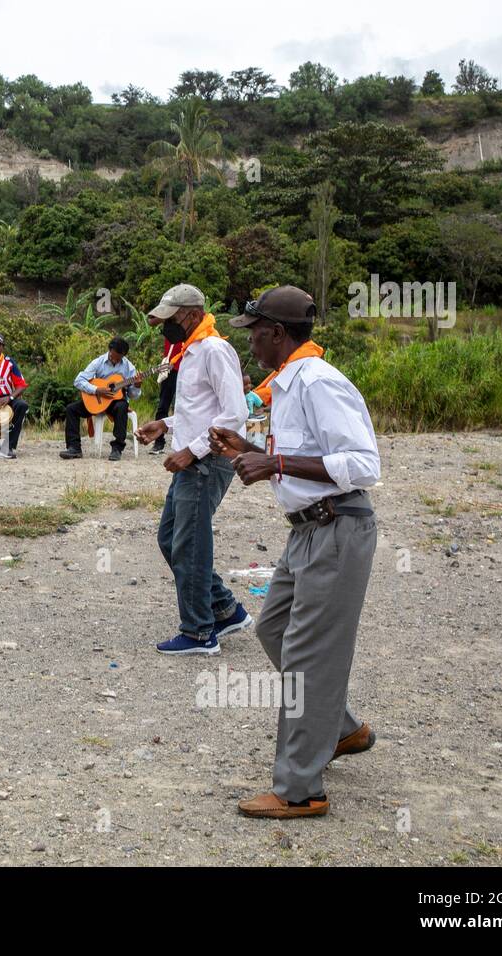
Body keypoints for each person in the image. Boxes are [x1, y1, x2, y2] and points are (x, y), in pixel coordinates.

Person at [208, 285, 380, 820]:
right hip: (306, 531)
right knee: (274, 629)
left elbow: (362, 464)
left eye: (255, 332)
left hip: (336, 528)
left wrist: (276, 466)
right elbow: (307, 456)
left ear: (277, 333)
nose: (250, 342)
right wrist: (252, 453)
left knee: (306, 658)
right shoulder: (288, 382)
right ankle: (342, 728)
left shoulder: (321, 382)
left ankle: (301, 790)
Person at [134, 284, 250, 655]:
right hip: (193, 459)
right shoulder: (193, 350)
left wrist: (191, 452)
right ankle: (224, 610)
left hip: (207, 461)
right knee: (171, 539)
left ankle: (200, 632)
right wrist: (165, 425)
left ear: (194, 315)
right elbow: (200, 408)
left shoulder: (215, 350)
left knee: (189, 544)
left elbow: (235, 414)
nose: (166, 326)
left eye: (172, 318)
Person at [60, 337, 143, 461]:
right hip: (97, 401)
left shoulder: (129, 367)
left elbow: (132, 395)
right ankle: (74, 448)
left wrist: (137, 386)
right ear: (109, 350)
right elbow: (78, 380)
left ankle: (117, 449)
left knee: (122, 406)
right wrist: (96, 390)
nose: (114, 360)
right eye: (112, 356)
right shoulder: (98, 362)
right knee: (71, 409)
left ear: (123, 355)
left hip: (116, 403)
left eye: (118, 358)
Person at [144, 286, 197, 454]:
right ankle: (158, 442)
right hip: (169, 369)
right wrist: (166, 314)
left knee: (182, 407)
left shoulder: (192, 330)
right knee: (163, 405)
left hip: (186, 370)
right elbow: (151, 320)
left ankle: (185, 445)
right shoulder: (172, 328)